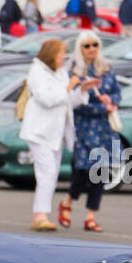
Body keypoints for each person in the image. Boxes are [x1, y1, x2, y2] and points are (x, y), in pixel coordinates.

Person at [19, 37, 86, 231]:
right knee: (47, 172)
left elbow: (66, 101)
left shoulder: (61, 73)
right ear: (51, 55)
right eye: (60, 54)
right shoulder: (37, 72)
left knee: (51, 174)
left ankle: (41, 215)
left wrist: (81, 91)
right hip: (38, 131)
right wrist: (68, 88)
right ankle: (39, 216)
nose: (63, 57)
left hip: (55, 133)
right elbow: (47, 99)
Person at [60, 31, 121, 232]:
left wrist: (110, 101)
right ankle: (68, 201)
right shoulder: (73, 72)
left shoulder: (106, 69)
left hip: (104, 128)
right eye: (87, 45)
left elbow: (118, 93)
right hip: (84, 127)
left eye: (95, 44)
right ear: (80, 48)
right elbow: (75, 104)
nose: (91, 49)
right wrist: (103, 107)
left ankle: (90, 215)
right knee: (84, 169)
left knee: (101, 170)